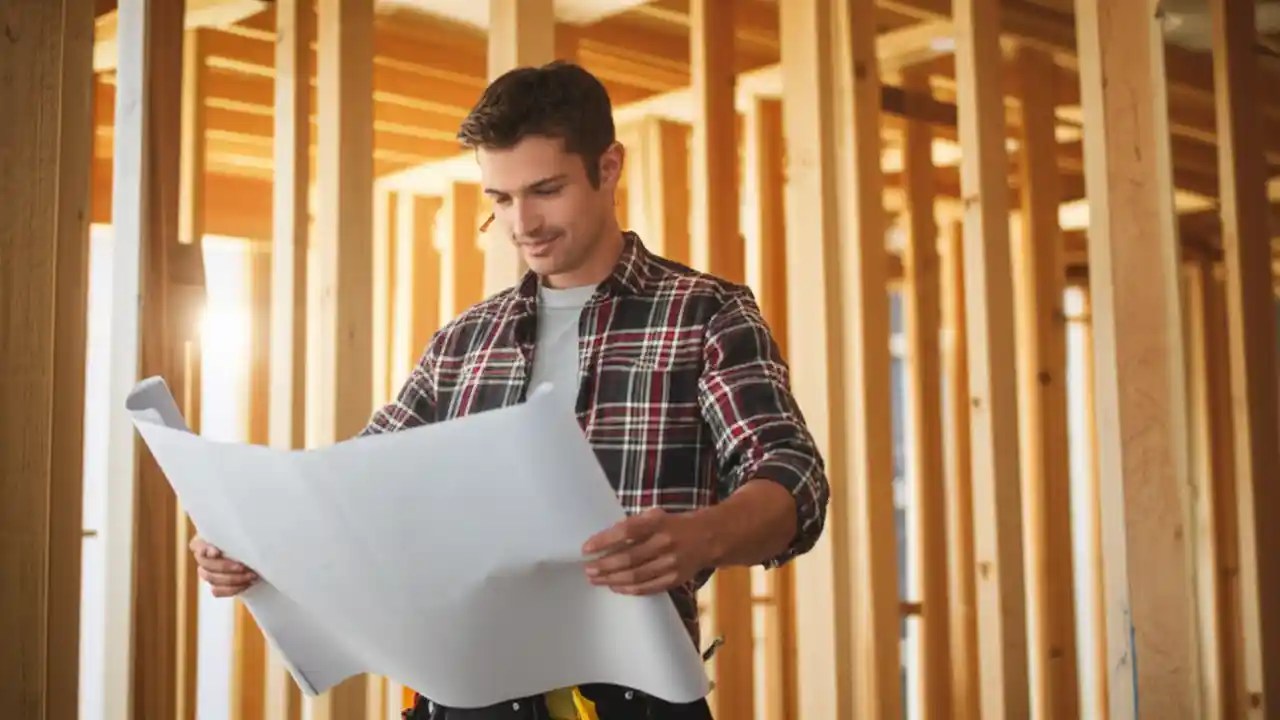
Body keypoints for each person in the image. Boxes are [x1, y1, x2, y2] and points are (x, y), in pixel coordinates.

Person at [189, 60, 829, 720]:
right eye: (499, 199)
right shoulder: (466, 340)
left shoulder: (705, 313)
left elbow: (793, 474)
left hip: (633, 700)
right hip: (463, 696)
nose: (522, 223)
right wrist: (254, 544)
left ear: (608, 168)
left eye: (545, 189)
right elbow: (353, 487)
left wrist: (706, 534)